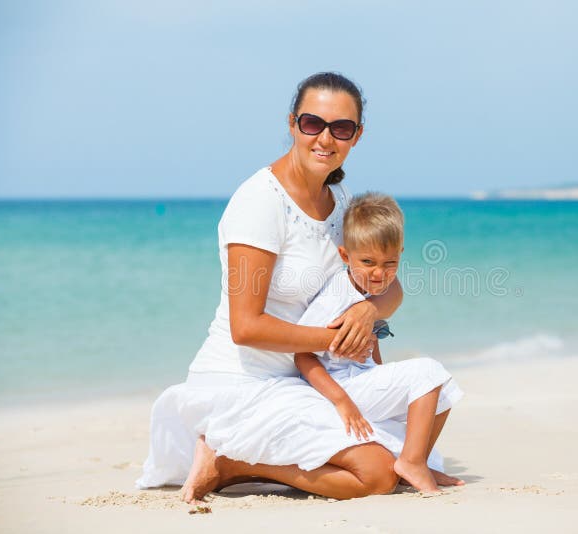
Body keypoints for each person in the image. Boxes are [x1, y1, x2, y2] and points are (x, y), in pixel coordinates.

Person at [135, 72, 453, 504]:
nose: (325, 138)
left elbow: (390, 288)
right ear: (292, 124)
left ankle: (259, 455)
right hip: (245, 382)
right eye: (312, 124)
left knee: (422, 409)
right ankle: (230, 462)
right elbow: (246, 328)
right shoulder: (260, 201)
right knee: (377, 475)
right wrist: (337, 339)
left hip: (313, 378)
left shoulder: (342, 203)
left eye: (341, 128)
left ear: (356, 136)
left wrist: (368, 313)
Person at [294, 192, 463, 493]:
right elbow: (303, 356)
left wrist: (383, 377)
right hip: (339, 389)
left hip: (363, 382)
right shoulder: (336, 296)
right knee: (429, 371)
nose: (379, 273)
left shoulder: (369, 298)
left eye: (390, 263)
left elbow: (373, 348)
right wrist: (342, 402)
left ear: (400, 254)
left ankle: (418, 460)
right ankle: (411, 462)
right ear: (345, 257)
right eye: (368, 262)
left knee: (444, 389)